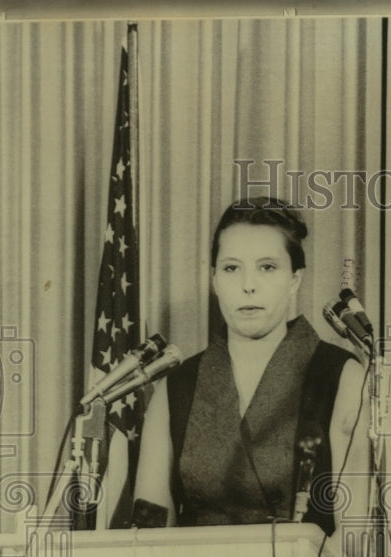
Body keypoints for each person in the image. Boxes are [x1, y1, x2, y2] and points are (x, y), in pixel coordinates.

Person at [133, 198, 369, 539]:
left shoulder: (341, 377)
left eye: (267, 267)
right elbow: (148, 535)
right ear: (214, 279)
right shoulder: (177, 387)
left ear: (295, 279)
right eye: (231, 268)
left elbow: (356, 541)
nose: (248, 285)